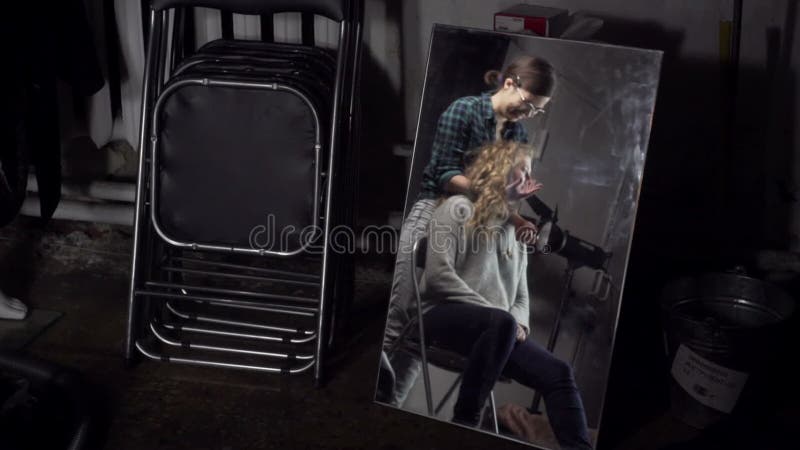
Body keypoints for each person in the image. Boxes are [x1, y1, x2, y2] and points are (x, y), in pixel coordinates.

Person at [379, 55, 556, 406]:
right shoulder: (465, 110)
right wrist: (494, 194)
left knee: (423, 333)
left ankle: (392, 407)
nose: (529, 114)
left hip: (474, 229)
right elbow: (444, 173)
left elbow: (502, 194)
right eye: (528, 104)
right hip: (434, 211)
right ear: (510, 83)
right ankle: (374, 394)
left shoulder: (517, 133)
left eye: (537, 110)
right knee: (400, 316)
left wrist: (517, 219)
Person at [423, 141, 592, 450]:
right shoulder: (455, 208)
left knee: (559, 373)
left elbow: (521, 296)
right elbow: (436, 278)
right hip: (441, 318)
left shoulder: (517, 231)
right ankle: (464, 424)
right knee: (500, 323)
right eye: (523, 170)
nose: (528, 179)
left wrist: (520, 323)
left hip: (497, 333)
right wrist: (500, 318)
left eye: (530, 172)